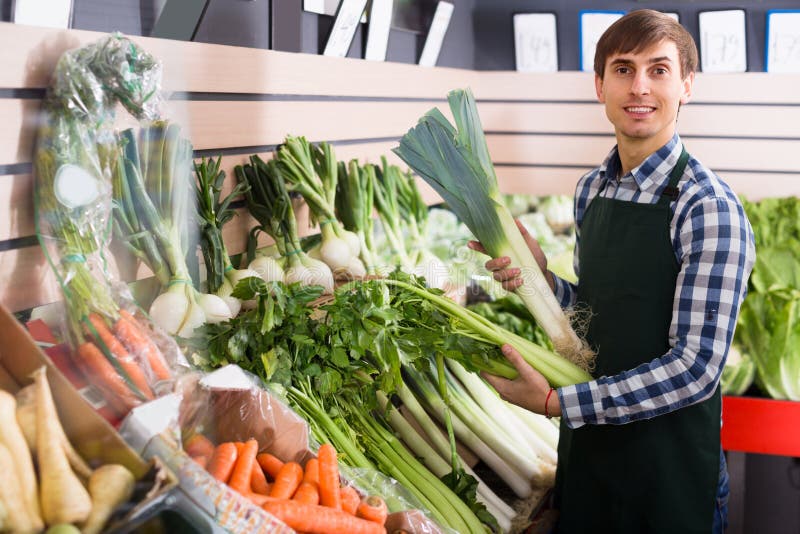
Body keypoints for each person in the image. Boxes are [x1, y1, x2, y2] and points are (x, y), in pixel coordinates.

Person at [469, 9, 756, 534]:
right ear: (600, 85)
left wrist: (558, 402)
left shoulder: (707, 207)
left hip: (669, 475)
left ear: (686, 86)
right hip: (590, 462)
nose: (639, 87)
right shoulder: (591, 190)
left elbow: (695, 368)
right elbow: (599, 317)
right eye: (623, 69)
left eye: (659, 70)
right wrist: (543, 281)